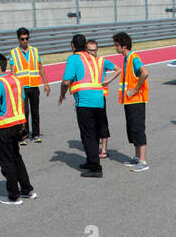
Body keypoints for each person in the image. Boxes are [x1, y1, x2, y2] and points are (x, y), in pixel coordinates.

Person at [58, 32, 112, 177]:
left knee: (87, 134)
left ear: (72, 45)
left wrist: (62, 94)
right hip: (99, 100)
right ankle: (90, 160)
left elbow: (65, 81)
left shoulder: (74, 58)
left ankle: (95, 167)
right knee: (93, 133)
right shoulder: (94, 58)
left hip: (85, 102)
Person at [0, 53, 34, 204]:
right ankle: (27, 190)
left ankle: (14, 196)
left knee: (7, 162)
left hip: (3, 126)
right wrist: (23, 126)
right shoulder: (16, 80)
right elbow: (23, 104)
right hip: (17, 125)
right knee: (17, 158)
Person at [111, 31, 149, 172]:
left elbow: (145, 72)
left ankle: (143, 161)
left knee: (138, 129)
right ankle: (137, 157)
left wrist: (134, 90)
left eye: (117, 45)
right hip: (129, 101)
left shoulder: (133, 58)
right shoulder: (127, 59)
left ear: (124, 46)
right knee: (132, 129)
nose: (115, 48)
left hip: (136, 100)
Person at [7, 27, 50, 144]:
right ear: (18, 39)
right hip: (22, 88)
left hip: (34, 86)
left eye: (26, 38)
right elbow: (13, 71)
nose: (25, 41)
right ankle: (24, 134)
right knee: (24, 112)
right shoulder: (14, 52)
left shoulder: (34, 51)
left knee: (35, 111)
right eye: (22, 39)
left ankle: (36, 134)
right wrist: (13, 88)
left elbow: (40, 67)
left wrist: (46, 83)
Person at [86, 38, 117, 160]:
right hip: (87, 98)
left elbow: (118, 69)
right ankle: (93, 147)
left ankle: (103, 149)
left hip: (100, 97)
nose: (92, 53)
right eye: (90, 51)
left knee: (102, 123)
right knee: (90, 124)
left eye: (94, 50)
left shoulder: (102, 61)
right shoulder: (84, 63)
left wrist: (108, 80)